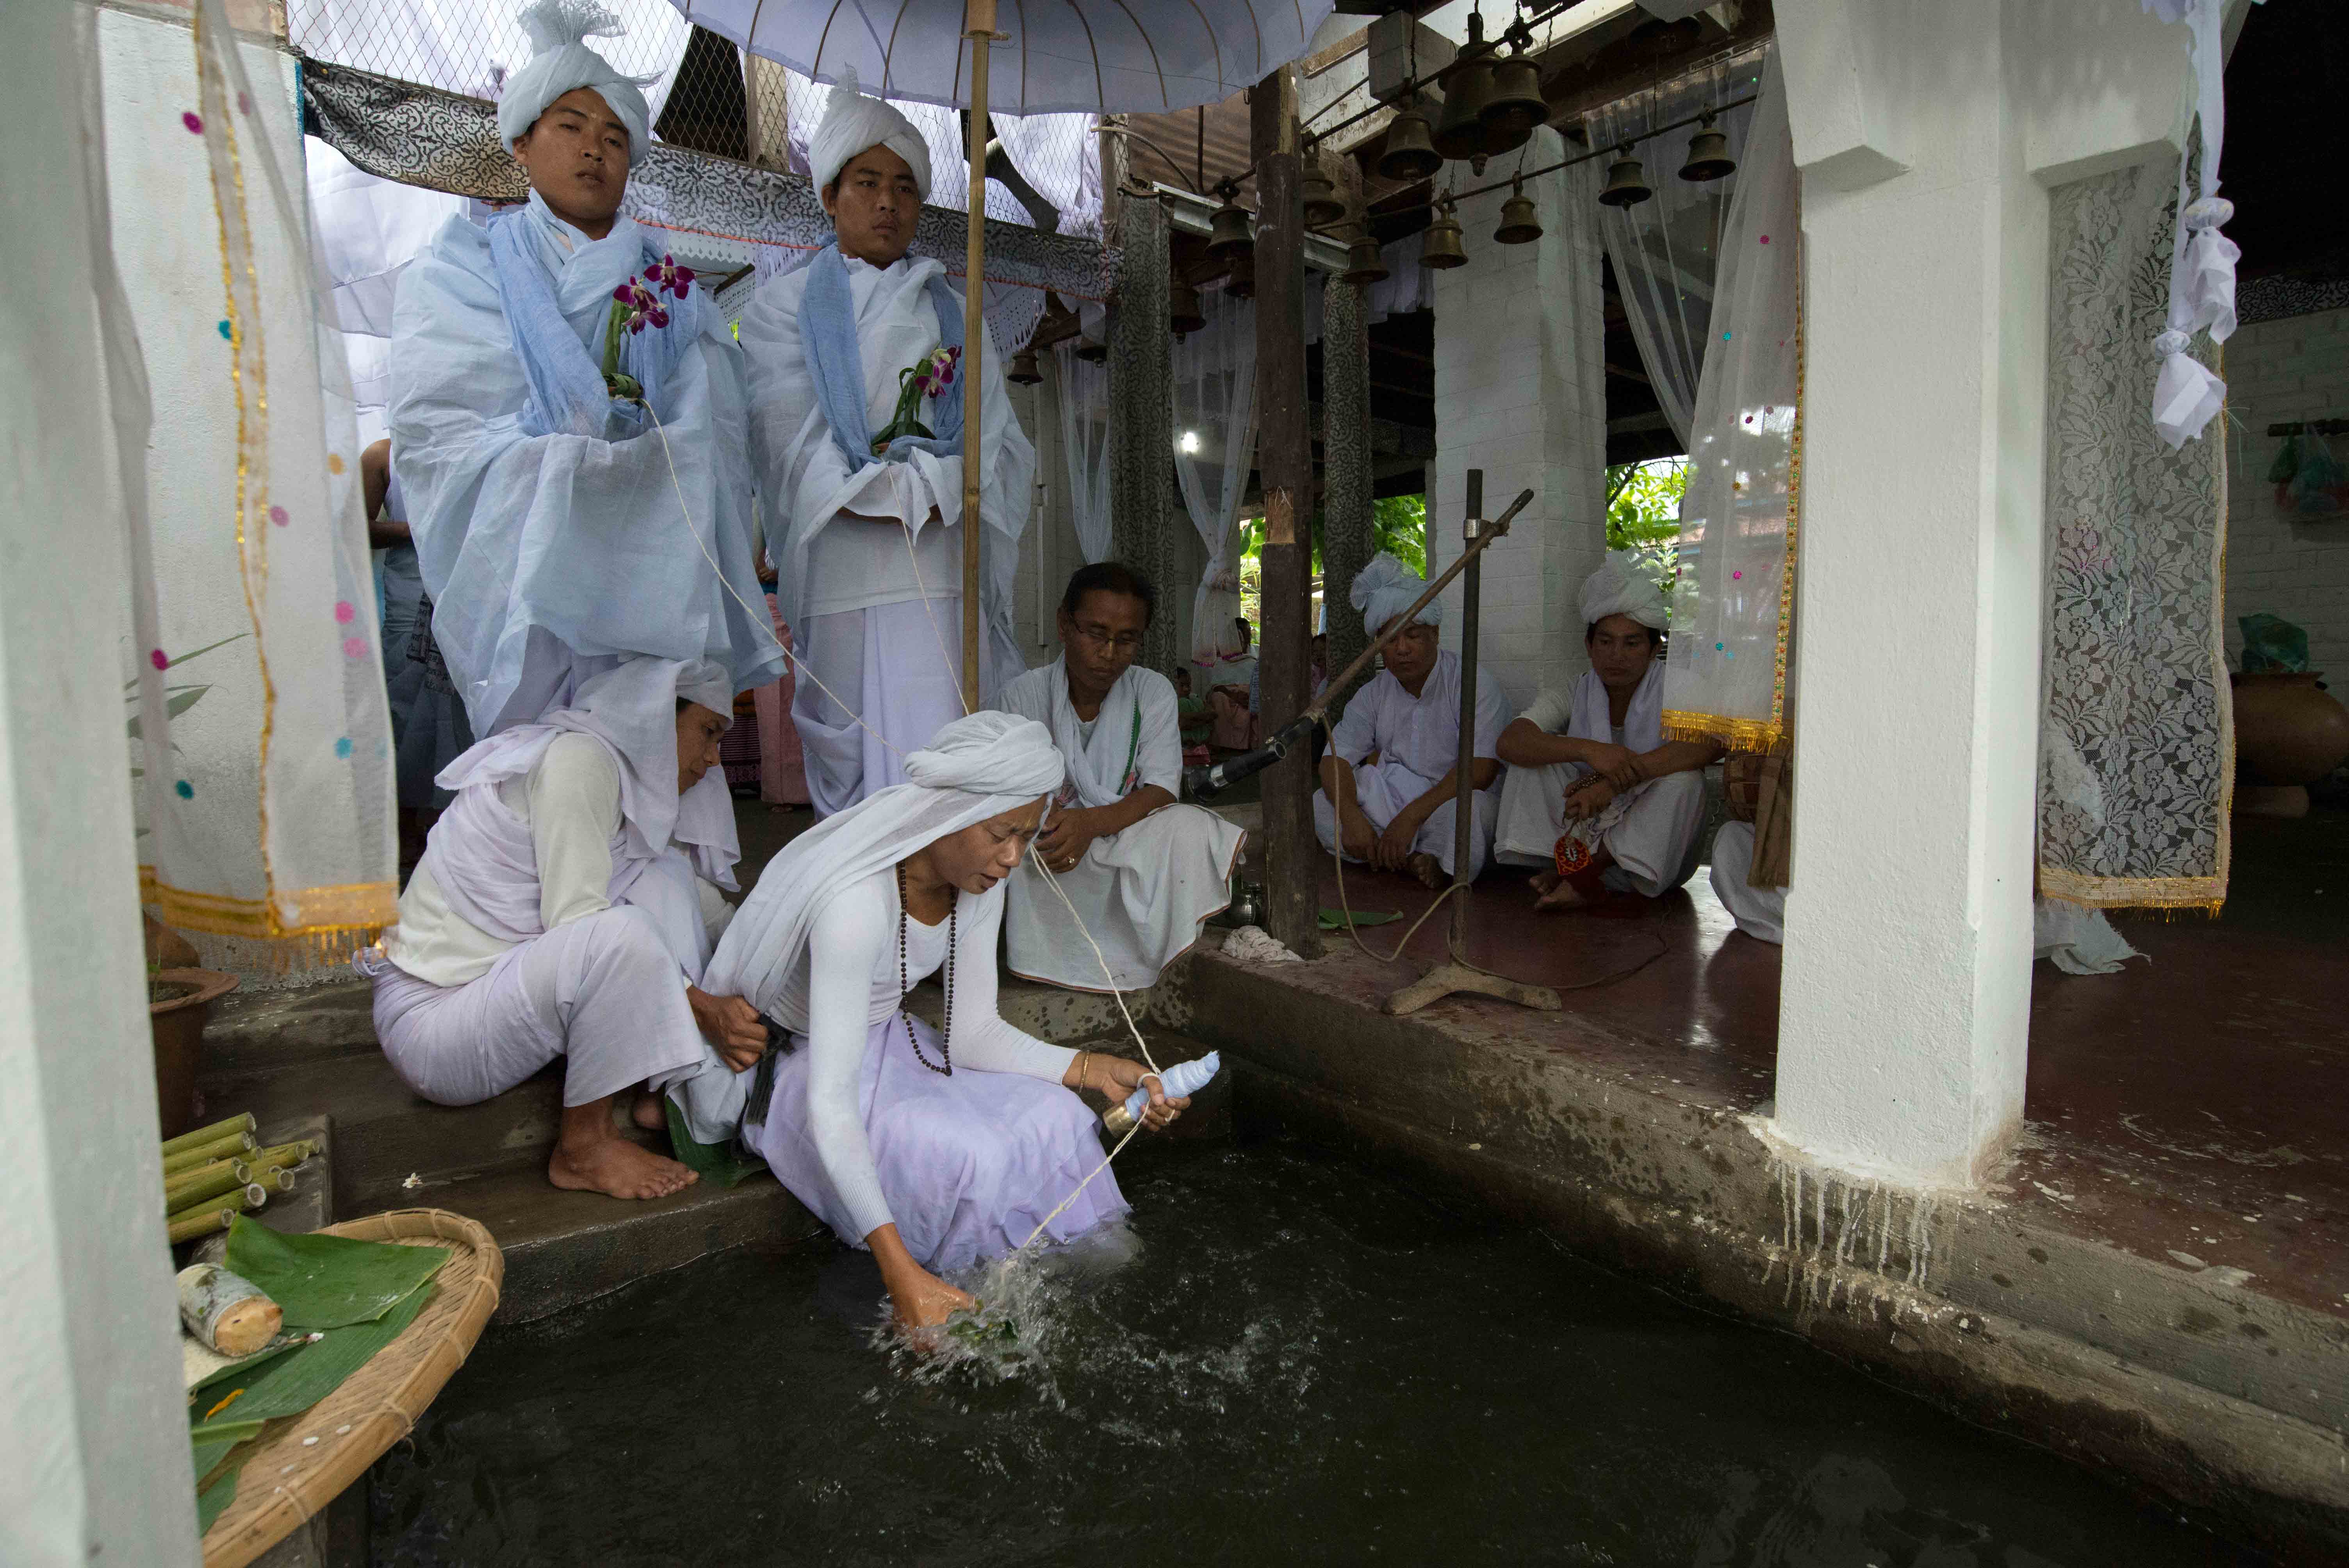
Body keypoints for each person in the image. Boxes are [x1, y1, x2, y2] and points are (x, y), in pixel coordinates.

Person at [674, 712, 1186, 1331]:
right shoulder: (856, 905)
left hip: (889, 1043)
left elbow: (973, 1034)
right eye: (1003, 834)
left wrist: (1091, 1070)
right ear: (948, 812)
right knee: (975, 1159)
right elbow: (830, 1107)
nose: (1013, 857)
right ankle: (966, 1306)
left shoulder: (978, 879)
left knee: (1059, 1121)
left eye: (1025, 836)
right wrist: (901, 1275)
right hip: (800, 1071)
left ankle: (1087, 1300)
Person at [388, 0, 781, 738]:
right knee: (547, 789)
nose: (594, 150)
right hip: (531, 572)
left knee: (654, 774)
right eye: (569, 127)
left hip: (655, 579)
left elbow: (713, 434)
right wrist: (561, 459)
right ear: (522, 144)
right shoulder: (458, 269)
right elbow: (438, 428)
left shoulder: (675, 293)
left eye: (614, 138)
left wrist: (634, 463)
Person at [737, 69, 1036, 817]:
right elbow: (787, 442)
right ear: (832, 193)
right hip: (841, 568)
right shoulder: (779, 311)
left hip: (941, 569)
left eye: (905, 187)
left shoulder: (955, 313)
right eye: (867, 182)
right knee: (853, 777)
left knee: (944, 770)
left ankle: (945, 926)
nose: (886, 202)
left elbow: (995, 440)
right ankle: (864, 926)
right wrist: (906, 491)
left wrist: (934, 490)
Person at [356, 658, 765, 1201]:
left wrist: (780, 955)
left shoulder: (615, 780)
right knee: (620, 935)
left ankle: (665, 1087)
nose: (714, 760)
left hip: (492, 997)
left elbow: (705, 909)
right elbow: (585, 931)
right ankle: (584, 1148)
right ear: (653, 719)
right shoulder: (579, 762)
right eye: (708, 733)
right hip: (432, 1028)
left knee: (664, 877)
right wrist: (708, 1010)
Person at [1000, 564, 1245, 991]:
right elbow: (1007, 790)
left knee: (1193, 827)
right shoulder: (1022, 694)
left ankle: (1143, 956)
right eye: (1096, 633)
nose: (1109, 652)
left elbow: (1163, 790)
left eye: (1126, 639)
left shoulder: (1151, 690)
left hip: (1124, 837)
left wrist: (1090, 824)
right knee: (1009, 841)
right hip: (1053, 845)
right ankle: (1053, 959)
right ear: (1063, 624)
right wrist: (1060, 823)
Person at [1494, 554, 1722, 911]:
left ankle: (1581, 876)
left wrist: (1616, 781)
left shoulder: (1679, 689)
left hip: (1648, 860)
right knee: (1531, 762)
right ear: (1589, 646)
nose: (1617, 655)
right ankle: (1575, 872)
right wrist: (1588, 750)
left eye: (1632, 643)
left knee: (1685, 782)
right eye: (1605, 642)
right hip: (1585, 829)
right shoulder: (1577, 690)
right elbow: (1511, 742)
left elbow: (1712, 743)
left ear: (1654, 649)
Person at [1315, 554, 1512, 889]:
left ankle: (1410, 856)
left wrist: (1409, 820)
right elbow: (1335, 758)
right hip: (1392, 798)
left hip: (1448, 801)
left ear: (1434, 634)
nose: (1402, 649)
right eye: (1391, 640)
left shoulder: (1471, 683)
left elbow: (1481, 770)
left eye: (1413, 635)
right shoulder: (1373, 694)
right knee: (1323, 803)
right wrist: (1351, 818)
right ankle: (1415, 863)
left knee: (1473, 814)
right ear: (1378, 647)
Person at [362, 438, 475, 860]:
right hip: (408, 598)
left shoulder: (476, 438)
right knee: (404, 709)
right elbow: (356, 527)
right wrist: (419, 531)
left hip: (465, 595)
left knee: (459, 713)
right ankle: (402, 831)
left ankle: (448, 828)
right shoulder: (381, 456)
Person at [1206, 617, 1257, 752]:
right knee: (1218, 698)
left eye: (1249, 631)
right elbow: (1215, 687)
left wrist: (1249, 696)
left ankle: (1248, 747)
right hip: (1228, 697)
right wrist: (1233, 695)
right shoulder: (1219, 661)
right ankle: (1223, 746)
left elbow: (1258, 682)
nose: (1248, 635)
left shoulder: (1254, 655)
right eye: (1244, 632)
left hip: (1248, 697)